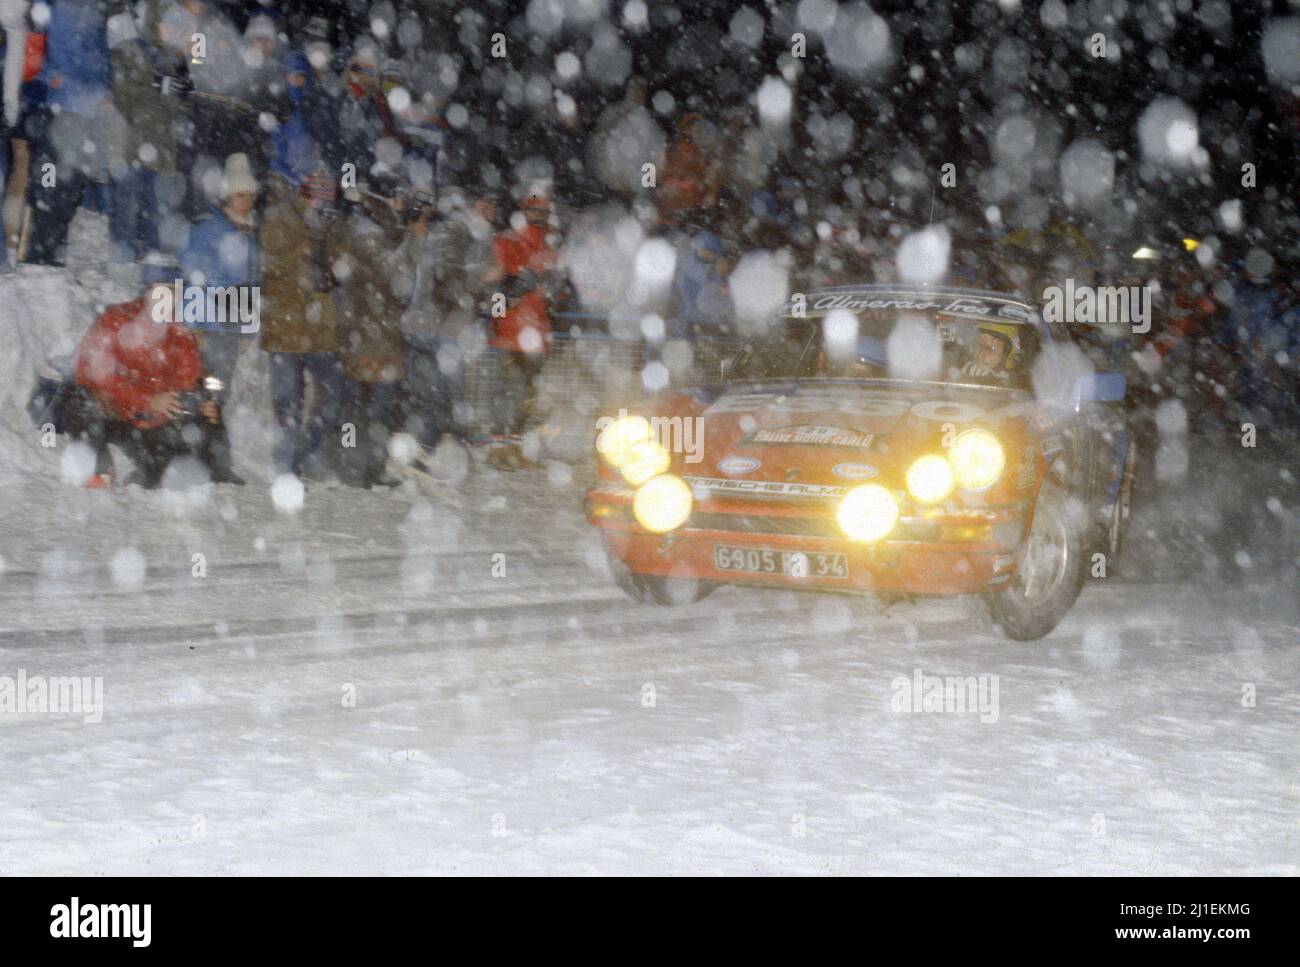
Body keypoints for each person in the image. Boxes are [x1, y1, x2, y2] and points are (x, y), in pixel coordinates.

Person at [64, 266, 240, 488]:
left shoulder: (180, 333)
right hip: (111, 414)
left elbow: (189, 380)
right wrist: (146, 400)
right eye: (164, 290)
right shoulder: (115, 319)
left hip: (147, 424)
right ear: (147, 292)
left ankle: (154, 474)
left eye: (176, 292)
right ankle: (99, 471)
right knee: (79, 399)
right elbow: (93, 372)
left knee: (202, 421)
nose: (171, 299)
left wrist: (201, 405)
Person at [396, 184, 494, 469]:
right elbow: (447, 277)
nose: (488, 212)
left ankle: (428, 453)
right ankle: (449, 453)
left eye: (492, 207)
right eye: (483, 205)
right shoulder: (453, 230)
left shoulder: (477, 238)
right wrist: (482, 277)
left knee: (437, 397)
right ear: (469, 206)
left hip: (440, 330)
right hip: (432, 330)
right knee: (451, 395)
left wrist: (494, 299)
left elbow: (480, 288)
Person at [177, 151, 259, 477]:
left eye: (250, 196)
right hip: (210, 326)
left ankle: (215, 462)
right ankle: (202, 461)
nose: (246, 201)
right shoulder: (207, 228)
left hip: (229, 325)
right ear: (227, 195)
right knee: (203, 392)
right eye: (240, 195)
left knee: (218, 393)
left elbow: (250, 281)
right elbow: (195, 276)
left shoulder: (249, 231)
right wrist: (195, 325)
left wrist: (246, 328)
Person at [259, 165, 344, 480]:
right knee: (286, 406)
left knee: (332, 397)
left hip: (319, 331)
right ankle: (284, 468)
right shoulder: (279, 218)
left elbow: (338, 269)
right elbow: (269, 268)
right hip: (285, 329)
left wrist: (332, 240)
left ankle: (305, 455)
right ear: (306, 195)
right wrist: (307, 251)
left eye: (327, 202)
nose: (322, 207)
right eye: (319, 200)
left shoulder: (327, 224)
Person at [335, 175, 408, 488]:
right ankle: (361, 468)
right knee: (370, 409)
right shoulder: (369, 234)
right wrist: (413, 239)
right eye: (396, 198)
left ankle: (359, 466)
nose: (401, 205)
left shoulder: (369, 229)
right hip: (372, 337)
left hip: (368, 335)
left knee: (363, 408)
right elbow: (397, 280)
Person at [485, 190, 560, 470]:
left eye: (543, 210)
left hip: (537, 335)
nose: (539, 215)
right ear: (523, 210)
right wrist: (509, 296)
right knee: (508, 396)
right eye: (534, 209)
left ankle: (515, 449)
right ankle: (497, 450)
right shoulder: (507, 241)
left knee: (526, 400)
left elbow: (553, 294)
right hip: (510, 335)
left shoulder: (549, 247)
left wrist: (555, 290)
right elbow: (492, 291)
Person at [107, 3, 187, 262]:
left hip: (161, 148)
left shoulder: (175, 60)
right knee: (127, 206)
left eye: (176, 27)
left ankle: (151, 258)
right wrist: (155, 88)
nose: (172, 31)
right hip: (131, 144)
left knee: (157, 209)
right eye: (167, 25)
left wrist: (176, 94)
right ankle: (122, 258)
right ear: (155, 25)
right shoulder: (127, 51)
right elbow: (121, 95)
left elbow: (180, 108)